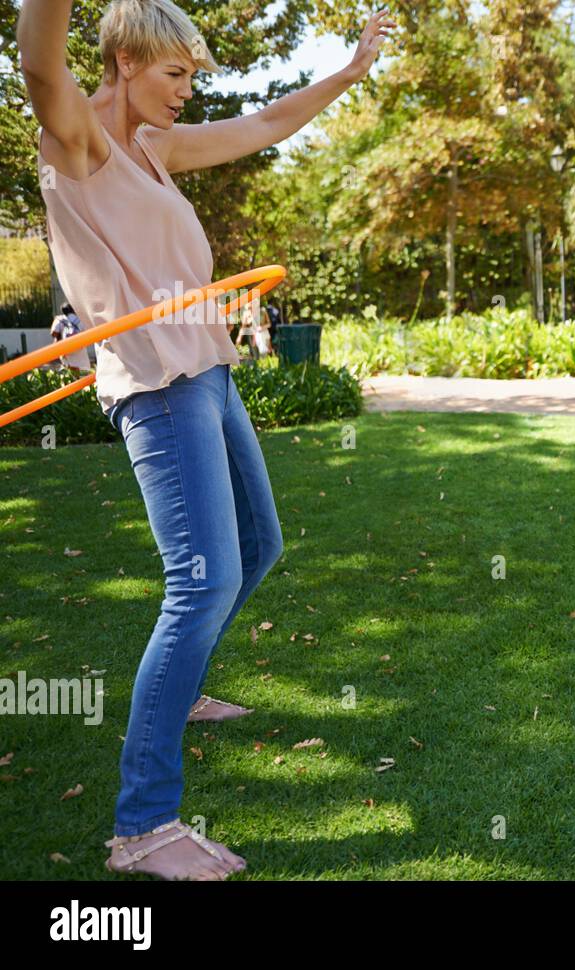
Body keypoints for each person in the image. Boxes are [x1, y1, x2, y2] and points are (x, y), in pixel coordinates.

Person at [18, 0, 395, 880]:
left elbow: (265, 123)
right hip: (157, 385)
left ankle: (175, 693)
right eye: (174, 75)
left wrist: (346, 73)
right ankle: (144, 827)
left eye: (193, 77)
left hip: (208, 374)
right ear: (121, 63)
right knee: (203, 580)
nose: (188, 93)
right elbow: (40, 66)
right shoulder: (80, 143)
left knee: (257, 547)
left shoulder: (155, 149)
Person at [49, 301, 92, 369]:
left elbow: (53, 333)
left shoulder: (60, 319)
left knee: (69, 368)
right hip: (79, 347)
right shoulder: (80, 319)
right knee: (83, 368)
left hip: (66, 348)